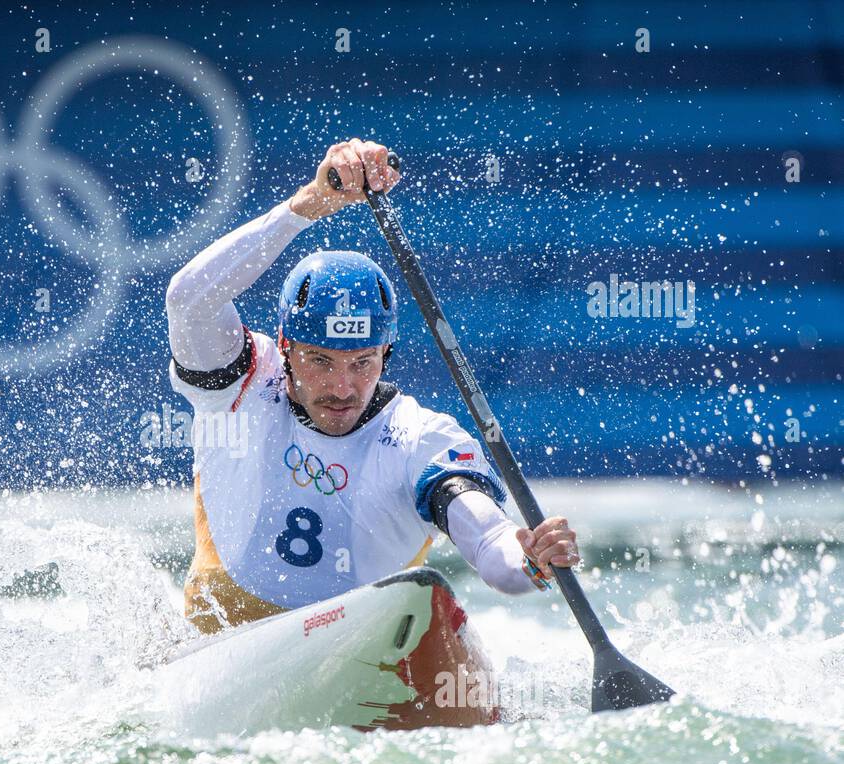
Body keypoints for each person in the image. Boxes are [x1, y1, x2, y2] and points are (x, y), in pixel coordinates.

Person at [166, 138, 581, 634]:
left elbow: (493, 547)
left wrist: (530, 559)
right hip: (218, 642)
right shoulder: (241, 384)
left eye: (362, 362)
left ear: (386, 354)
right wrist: (306, 207)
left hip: (363, 650)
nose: (342, 386)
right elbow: (188, 300)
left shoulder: (419, 439)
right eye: (320, 360)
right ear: (286, 346)